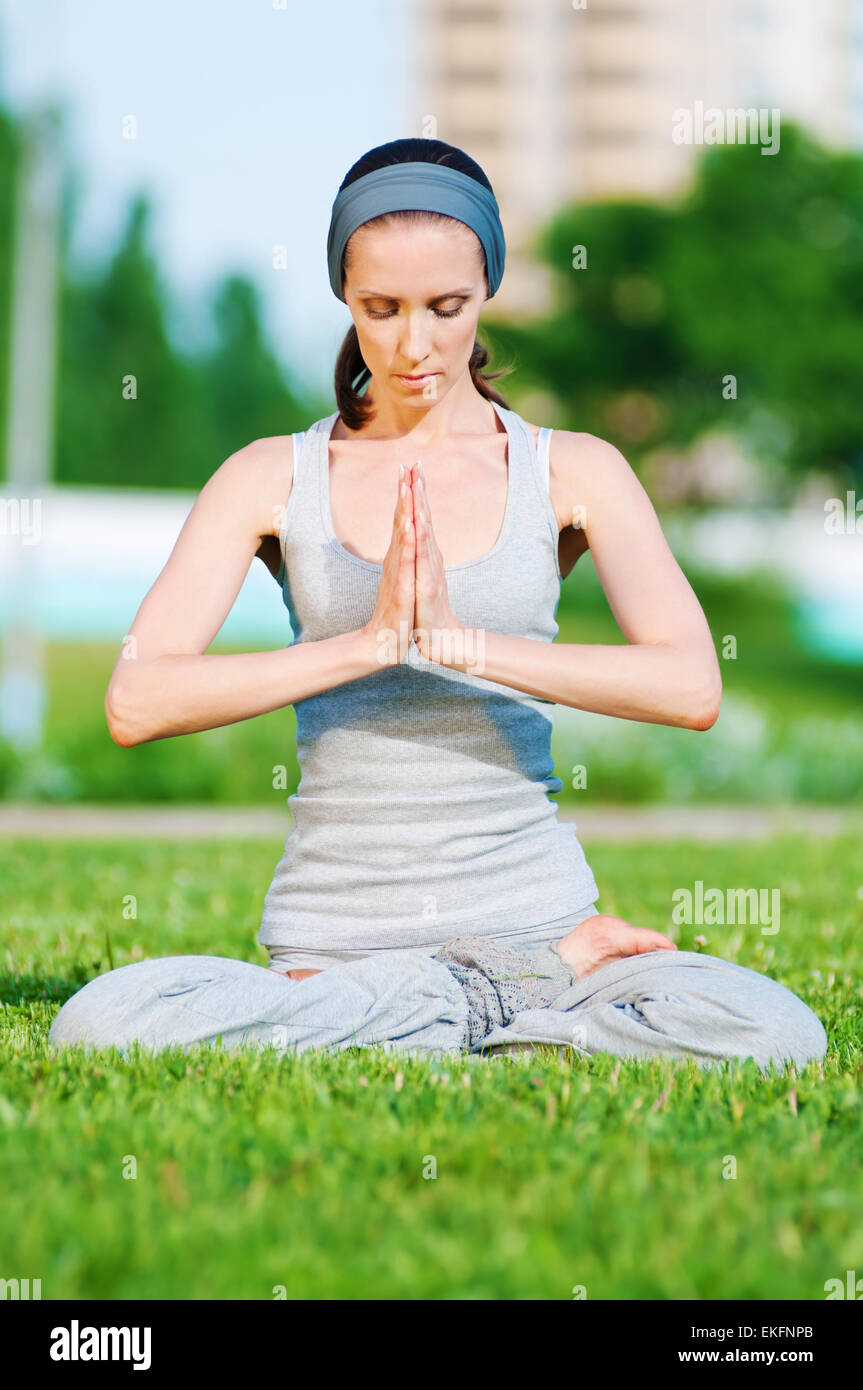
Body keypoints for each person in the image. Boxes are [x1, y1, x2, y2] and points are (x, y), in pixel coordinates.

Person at [49, 138, 827, 1070]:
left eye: (444, 307)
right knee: (102, 1020)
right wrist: (368, 646)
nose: (413, 345)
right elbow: (137, 700)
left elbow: (690, 685)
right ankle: (495, 1007)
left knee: (777, 1031)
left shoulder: (570, 470)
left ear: (486, 288)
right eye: (381, 308)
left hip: (535, 926)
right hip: (336, 946)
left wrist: (462, 644)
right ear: (343, 293)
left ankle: (408, 1015)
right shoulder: (269, 476)